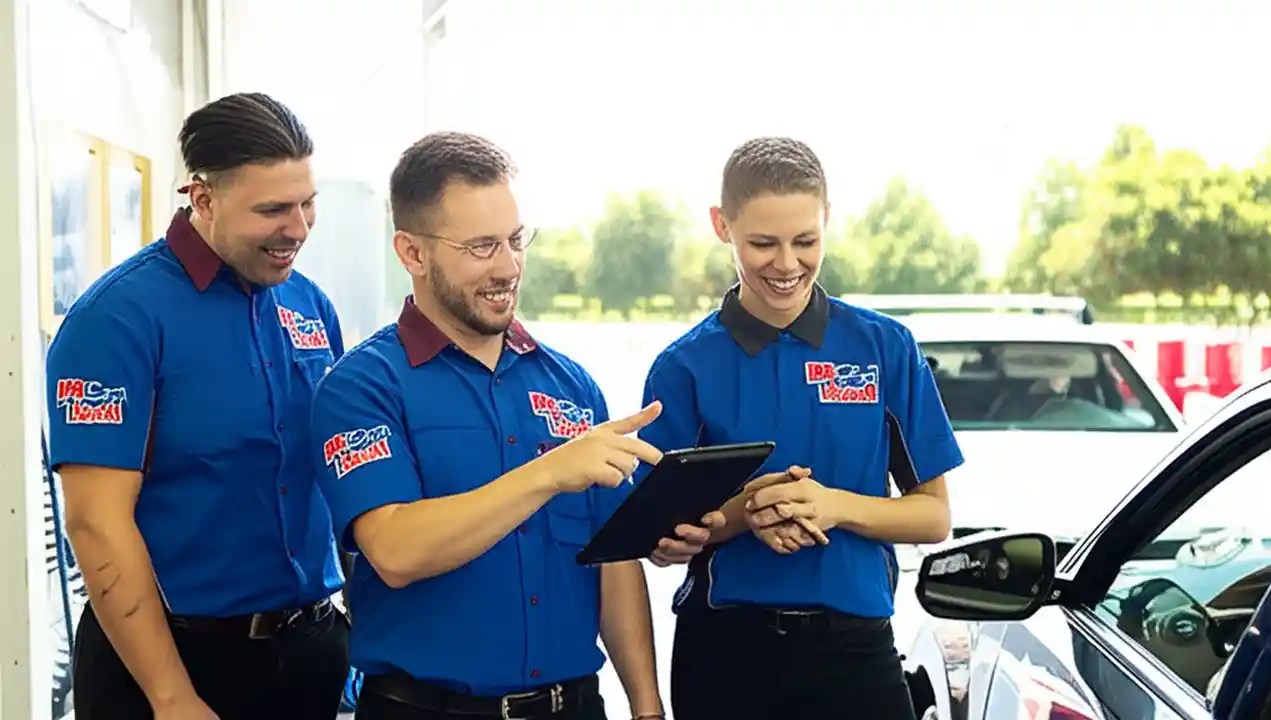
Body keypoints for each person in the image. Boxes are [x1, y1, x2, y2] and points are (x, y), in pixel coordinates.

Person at [308, 130, 717, 720]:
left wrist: (647, 705)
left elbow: (613, 564)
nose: (507, 267)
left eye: (515, 240)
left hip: (572, 705)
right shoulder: (361, 388)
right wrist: (546, 475)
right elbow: (395, 550)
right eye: (480, 247)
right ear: (413, 253)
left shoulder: (572, 387)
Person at [47, 92, 351, 720]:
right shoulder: (117, 319)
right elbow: (96, 524)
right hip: (171, 663)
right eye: (272, 209)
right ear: (202, 198)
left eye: (307, 203)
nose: (296, 228)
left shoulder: (311, 307)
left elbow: (334, 471)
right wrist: (172, 697)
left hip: (307, 653)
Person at [637, 136, 963, 720]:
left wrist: (833, 506)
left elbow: (934, 517)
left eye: (805, 241)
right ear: (722, 225)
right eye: (762, 243)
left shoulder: (884, 348)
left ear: (827, 221)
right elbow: (658, 542)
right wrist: (747, 513)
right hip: (724, 651)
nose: (786, 265)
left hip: (857, 650)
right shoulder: (682, 368)